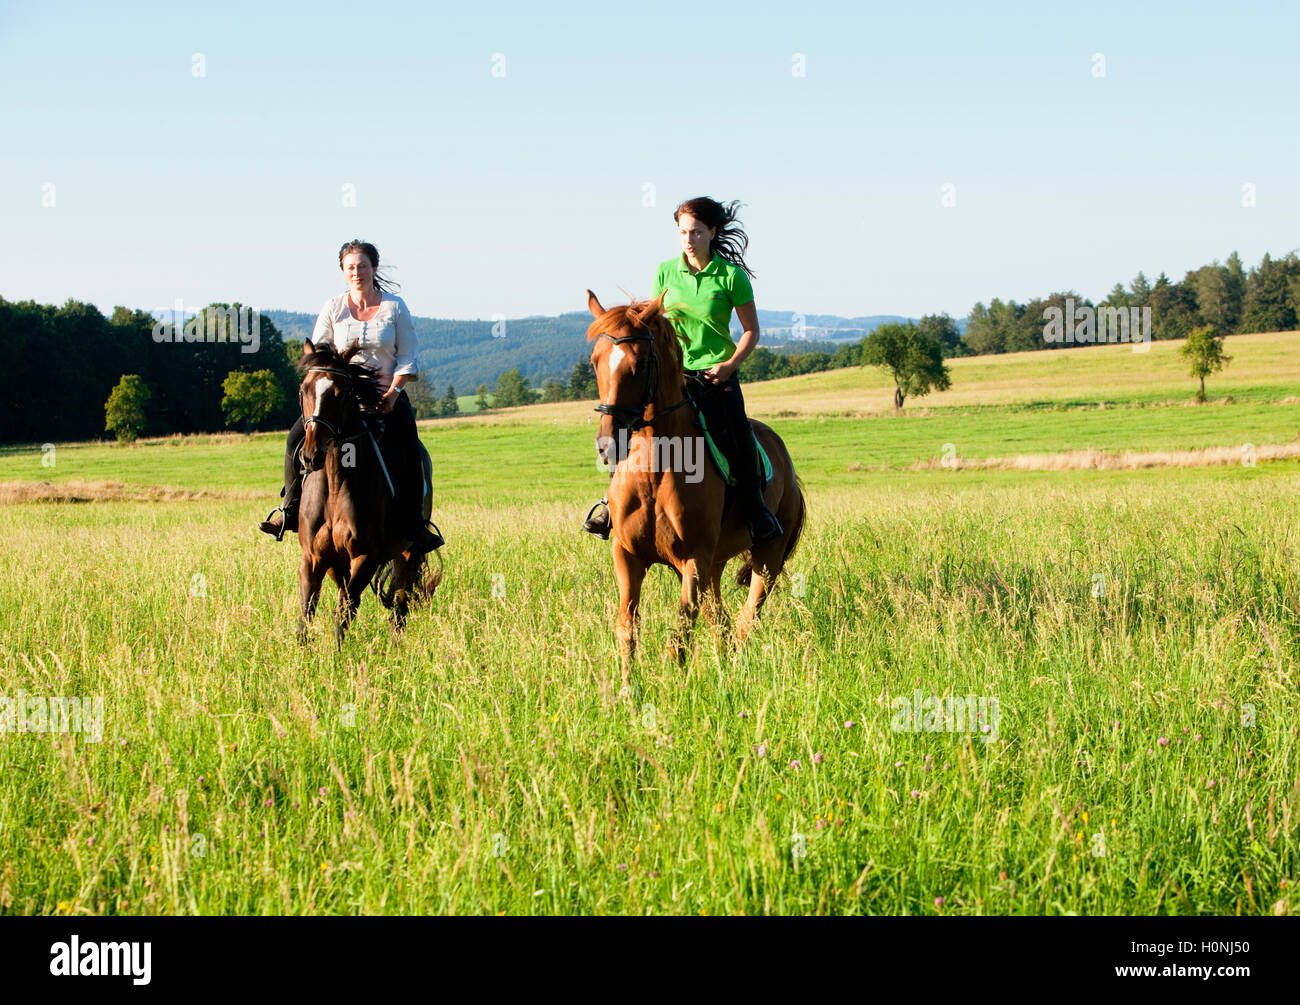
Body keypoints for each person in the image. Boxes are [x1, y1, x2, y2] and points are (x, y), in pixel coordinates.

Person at [583, 197, 783, 543]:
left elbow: (752, 331)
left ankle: (756, 510)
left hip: (716, 377)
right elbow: (653, 325)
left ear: (713, 232)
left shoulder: (731, 277)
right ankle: (612, 505)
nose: (689, 240)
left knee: (736, 437)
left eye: (696, 232)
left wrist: (730, 364)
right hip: (672, 375)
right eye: (683, 232)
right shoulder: (665, 272)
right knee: (627, 430)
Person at [259, 239, 443, 553]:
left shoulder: (394, 307)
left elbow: (409, 357)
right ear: (343, 272)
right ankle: (289, 511)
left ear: (374, 268)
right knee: (294, 439)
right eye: (350, 267)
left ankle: (415, 525)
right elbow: (318, 357)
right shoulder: (333, 308)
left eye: (362, 266)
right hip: (339, 402)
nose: (356, 272)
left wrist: (393, 393)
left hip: (387, 398)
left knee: (411, 448)